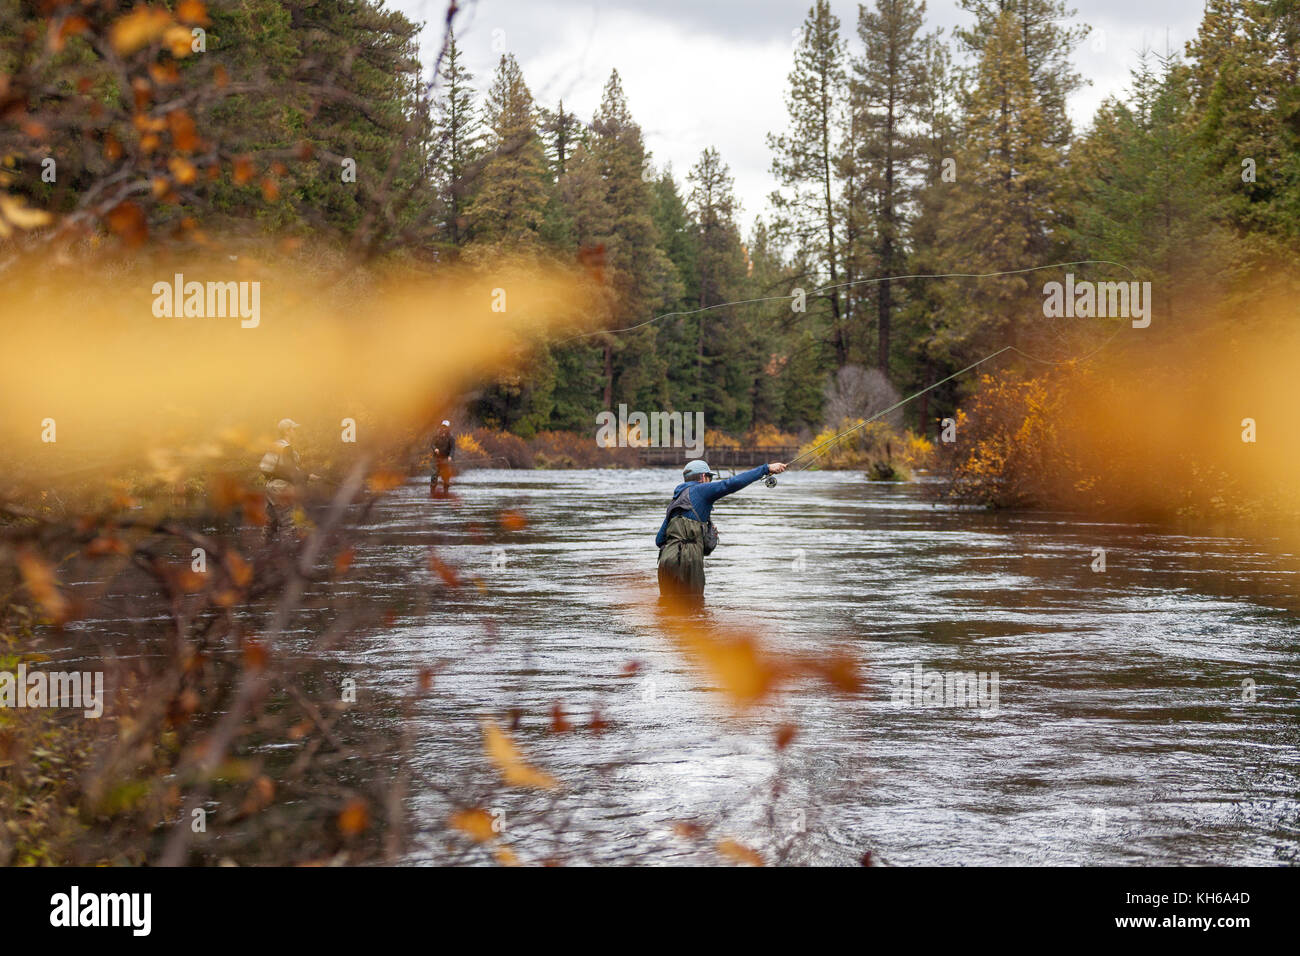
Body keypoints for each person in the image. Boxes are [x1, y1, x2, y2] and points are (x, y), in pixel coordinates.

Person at [655, 458, 786, 606]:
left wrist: (700, 532)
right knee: (692, 611)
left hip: (666, 561)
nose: (710, 482)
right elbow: (730, 484)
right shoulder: (700, 489)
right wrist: (766, 469)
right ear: (703, 477)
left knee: (668, 610)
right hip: (688, 561)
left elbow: (659, 540)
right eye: (710, 478)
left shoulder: (676, 500)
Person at [258, 418, 318, 539]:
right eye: (293, 429)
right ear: (287, 431)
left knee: (270, 524)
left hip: (270, 488)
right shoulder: (287, 448)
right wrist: (308, 477)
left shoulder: (275, 446)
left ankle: (264, 550)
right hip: (282, 489)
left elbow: (271, 468)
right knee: (288, 526)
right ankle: (288, 554)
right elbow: (290, 471)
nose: (295, 432)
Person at [430, 420, 455, 496]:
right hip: (436, 459)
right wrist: (435, 449)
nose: (444, 428)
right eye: (443, 426)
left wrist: (450, 456)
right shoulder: (436, 436)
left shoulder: (451, 437)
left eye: (445, 427)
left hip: (446, 459)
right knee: (434, 475)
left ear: (448, 428)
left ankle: (446, 492)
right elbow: (432, 444)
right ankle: (432, 492)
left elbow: (452, 448)